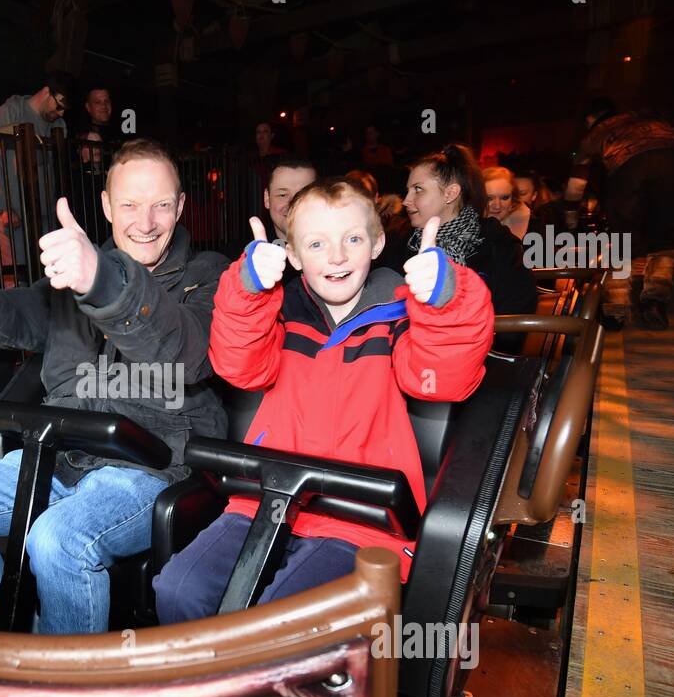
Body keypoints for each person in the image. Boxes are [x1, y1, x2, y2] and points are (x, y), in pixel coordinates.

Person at [0, 139, 228, 634]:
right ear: (106, 206)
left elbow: (186, 350)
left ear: (181, 207)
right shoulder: (69, 278)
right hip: (62, 456)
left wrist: (103, 283)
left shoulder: (210, 276)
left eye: (161, 204)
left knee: (57, 539)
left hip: (153, 467)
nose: (145, 222)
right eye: (130, 205)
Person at [153, 183, 494, 621]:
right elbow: (239, 366)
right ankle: (200, 690)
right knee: (180, 590)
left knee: (286, 618)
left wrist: (446, 301)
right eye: (317, 243)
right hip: (267, 500)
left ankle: (276, 690)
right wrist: (247, 293)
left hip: (362, 515)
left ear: (377, 243)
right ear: (293, 255)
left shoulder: (401, 314)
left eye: (352, 239)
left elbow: (442, 379)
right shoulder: (279, 313)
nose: (336, 256)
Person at [563, 97, 674, 330]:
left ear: (590, 118)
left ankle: (615, 311)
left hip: (629, 164)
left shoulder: (597, 132)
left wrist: (570, 216)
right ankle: (655, 300)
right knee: (664, 239)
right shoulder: (648, 119)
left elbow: (576, 185)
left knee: (622, 241)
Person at [402, 144, 537, 322]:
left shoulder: (496, 243)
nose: (405, 201)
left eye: (418, 189)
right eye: (408, 191)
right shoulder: (399, 242)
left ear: (450, 193)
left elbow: (516, 313)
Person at [0, 71, 75, 272]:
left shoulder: (59, 125)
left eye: (65, 109)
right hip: (12, 214)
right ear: (45, 92)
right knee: (17, 277)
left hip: (45, 218)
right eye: (59, 106)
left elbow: (55, 171)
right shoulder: (12, 111)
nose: (61, 113)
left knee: (48, 277)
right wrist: (3, 207)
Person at [262, 156, 317, 243]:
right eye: (282, 195)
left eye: (303, 194)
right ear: (267, 198)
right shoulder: (244, 254)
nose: (292, 204)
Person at [483, 165, 531, 240]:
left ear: (513, 200)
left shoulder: (531, 228)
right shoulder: (463, 229)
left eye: (504, 198)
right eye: (489, 198)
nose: (497, 206)